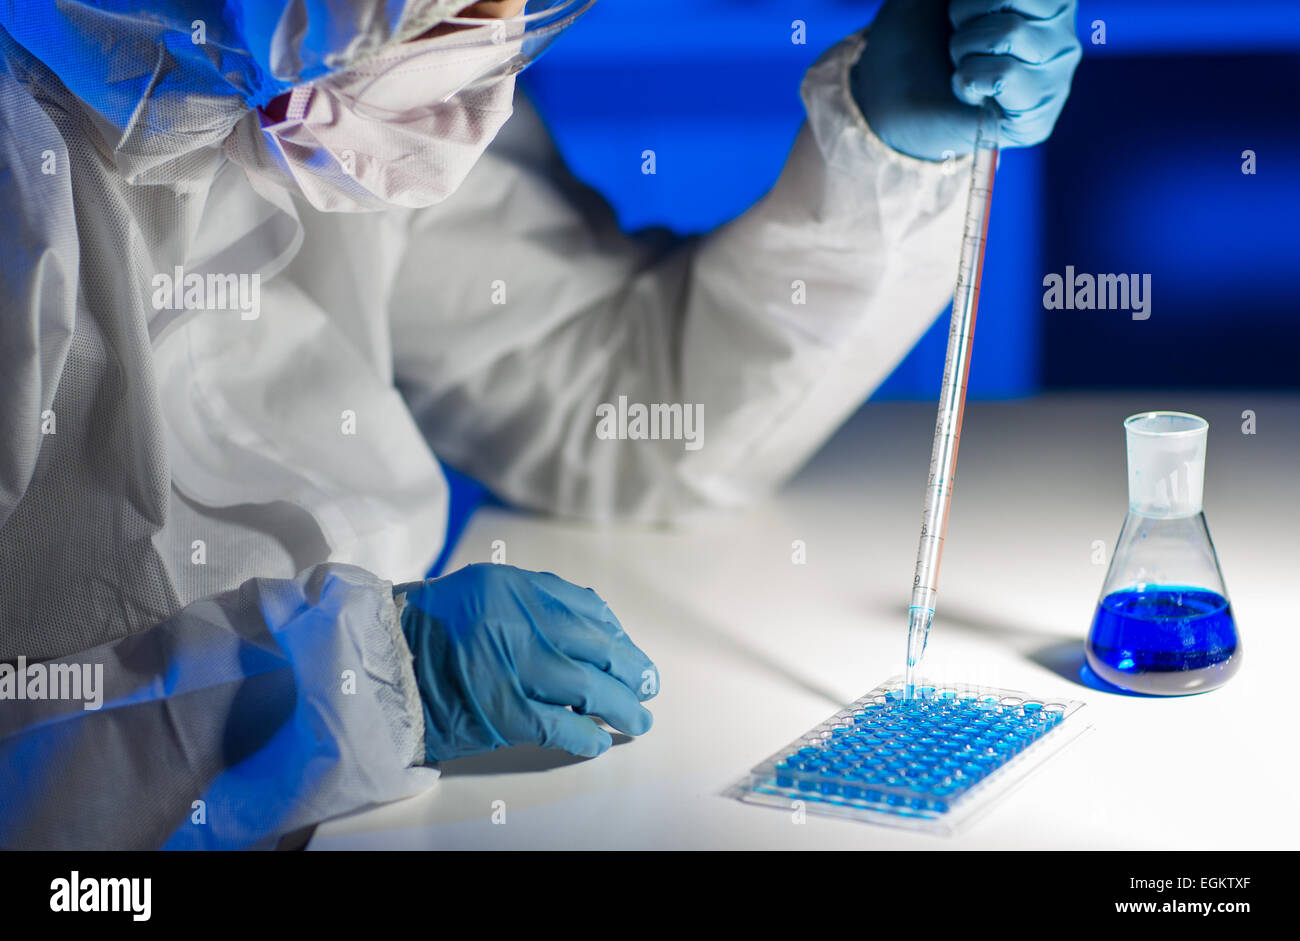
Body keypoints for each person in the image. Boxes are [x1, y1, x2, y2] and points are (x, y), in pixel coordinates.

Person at [0, 0, 1080, 849]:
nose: (494, 41)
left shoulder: (322, 92)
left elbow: (612, 397)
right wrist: (363, 682)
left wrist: (885, 149)